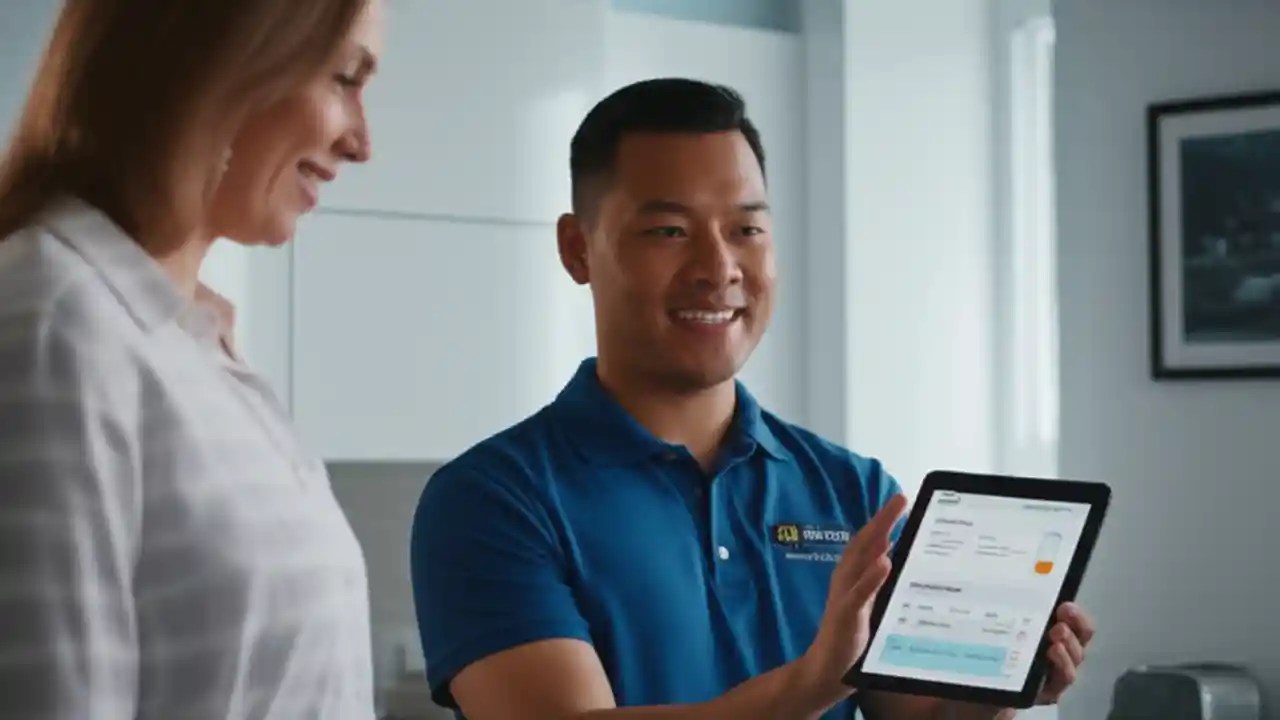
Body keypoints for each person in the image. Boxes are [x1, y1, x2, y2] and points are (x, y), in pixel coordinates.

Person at [410, 78, 1096, 720]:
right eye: (670, 231)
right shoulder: (493, 501)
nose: (718, 269)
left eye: (746, 230)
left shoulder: (852, 491)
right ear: (577, 248)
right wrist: (813, 681)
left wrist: (998, 691)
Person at [0, 0, 382, 717]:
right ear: (220, 62)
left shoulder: (184, 340)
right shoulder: (55, 324)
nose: (361, 143)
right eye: (344, 79)